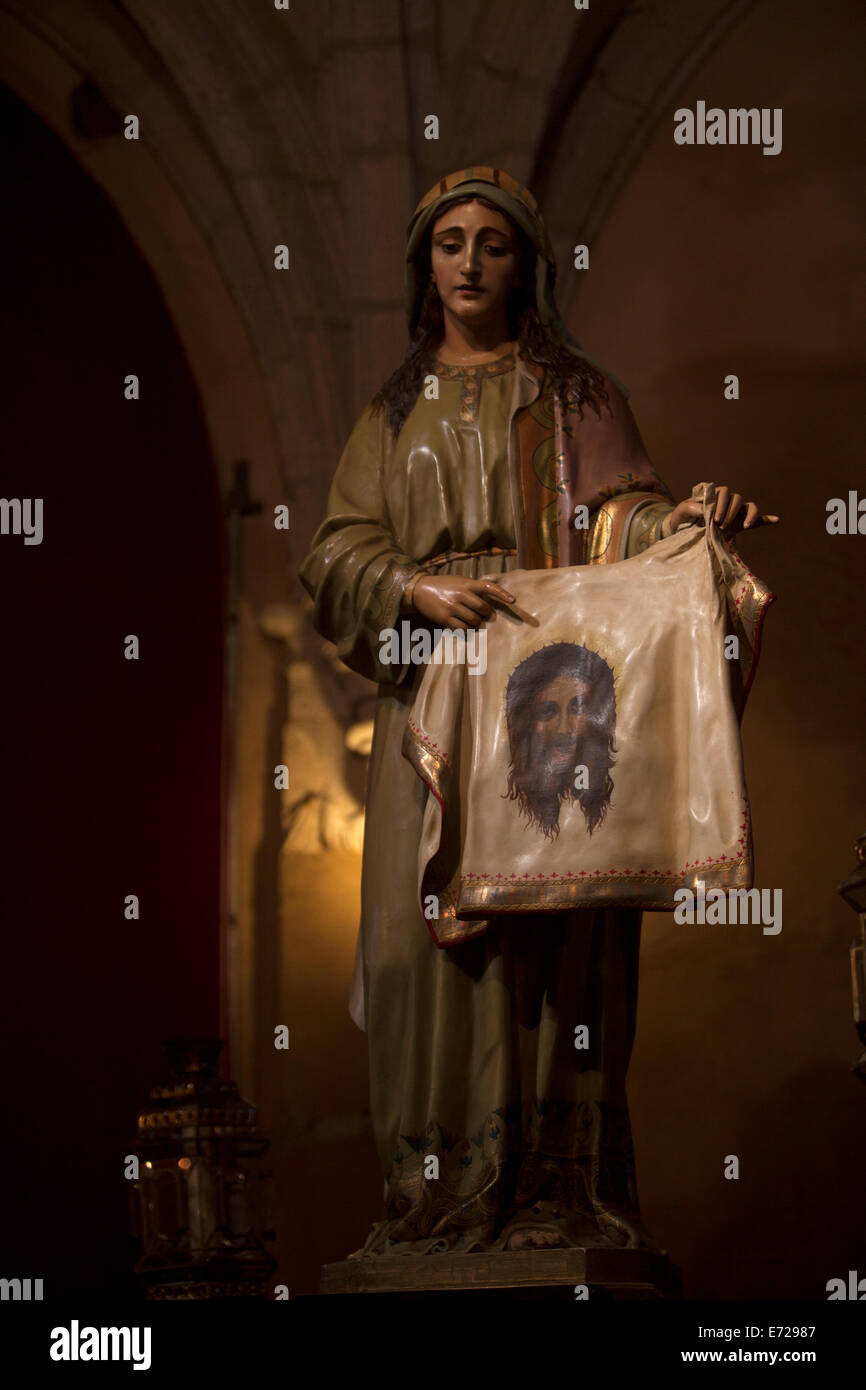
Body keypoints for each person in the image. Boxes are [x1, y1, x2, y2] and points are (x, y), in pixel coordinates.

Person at [300, 167, 777, 1255]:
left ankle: (552, 1198)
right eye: (448, 243)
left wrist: (690, 524)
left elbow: (621, 525)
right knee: (418, 949)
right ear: (425, 265)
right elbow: (334, 552)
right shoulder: (392, 409)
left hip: (546, 698)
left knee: (549, 952)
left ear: (527, 266)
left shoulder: (576, 396)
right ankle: (434, 1199)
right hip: (430, 695)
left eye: (493, 244)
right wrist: (411, 587)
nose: (468, 262)